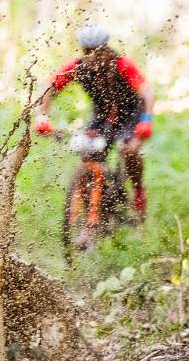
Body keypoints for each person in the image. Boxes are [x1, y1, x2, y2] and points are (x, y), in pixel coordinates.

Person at [34, 24, 155, 244]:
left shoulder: (121, 65)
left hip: (131, 114)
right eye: (86, 50)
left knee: (129, 150)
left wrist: (146, 120)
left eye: (95, 50)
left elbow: (147, 91)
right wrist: (42, 116)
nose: (91, 56)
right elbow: (50, 86)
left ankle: (138, 191)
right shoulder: (78, 67)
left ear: (105, 48)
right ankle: (92, 221)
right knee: (89, 155)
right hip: (102, 117)